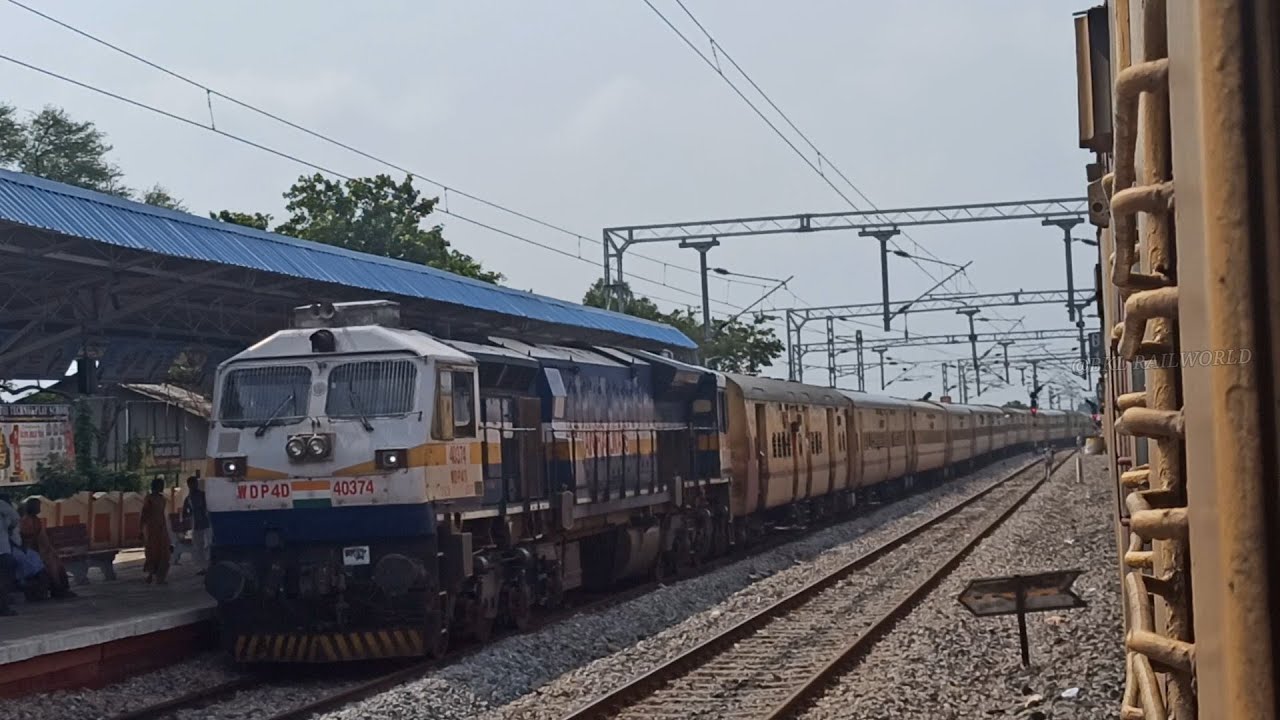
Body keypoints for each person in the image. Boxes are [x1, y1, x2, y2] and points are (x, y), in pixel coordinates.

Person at [19, 498, 73, 598]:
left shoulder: (36, 520)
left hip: (43, 550)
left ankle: (62, 589)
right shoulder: (26, 521)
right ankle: (57, 589)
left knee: (56, 562)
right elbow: (27, 538)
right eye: (37, 506)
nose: (39, 508)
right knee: (51, 564)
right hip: (32, 552)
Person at [140, 477, 172, 585]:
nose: (162, 487)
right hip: (152, 529)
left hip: (161, 528)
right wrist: (141, 529)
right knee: (152, 552)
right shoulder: (149, 499)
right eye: (160, 485)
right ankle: (150, 575)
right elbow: (144, 514)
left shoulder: (162, 499)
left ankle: (160, 577)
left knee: (164, 552)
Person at [182, 472, 211, 574]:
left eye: (195, 483)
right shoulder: (188, 499)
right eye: (192, 484)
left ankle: (209, 566)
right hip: (196, 525)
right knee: (198, 548)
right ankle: (203, 568)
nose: (194, 486)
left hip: (206, 524)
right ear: (189, 485)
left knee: (208, 546)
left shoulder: (203, 495)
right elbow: (184, 513)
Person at [0, 493, 20, 615]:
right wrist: (9, 529)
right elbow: (16, 518)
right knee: (4, 580)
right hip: (3, 550)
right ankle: (3, 607)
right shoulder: (2, 505)